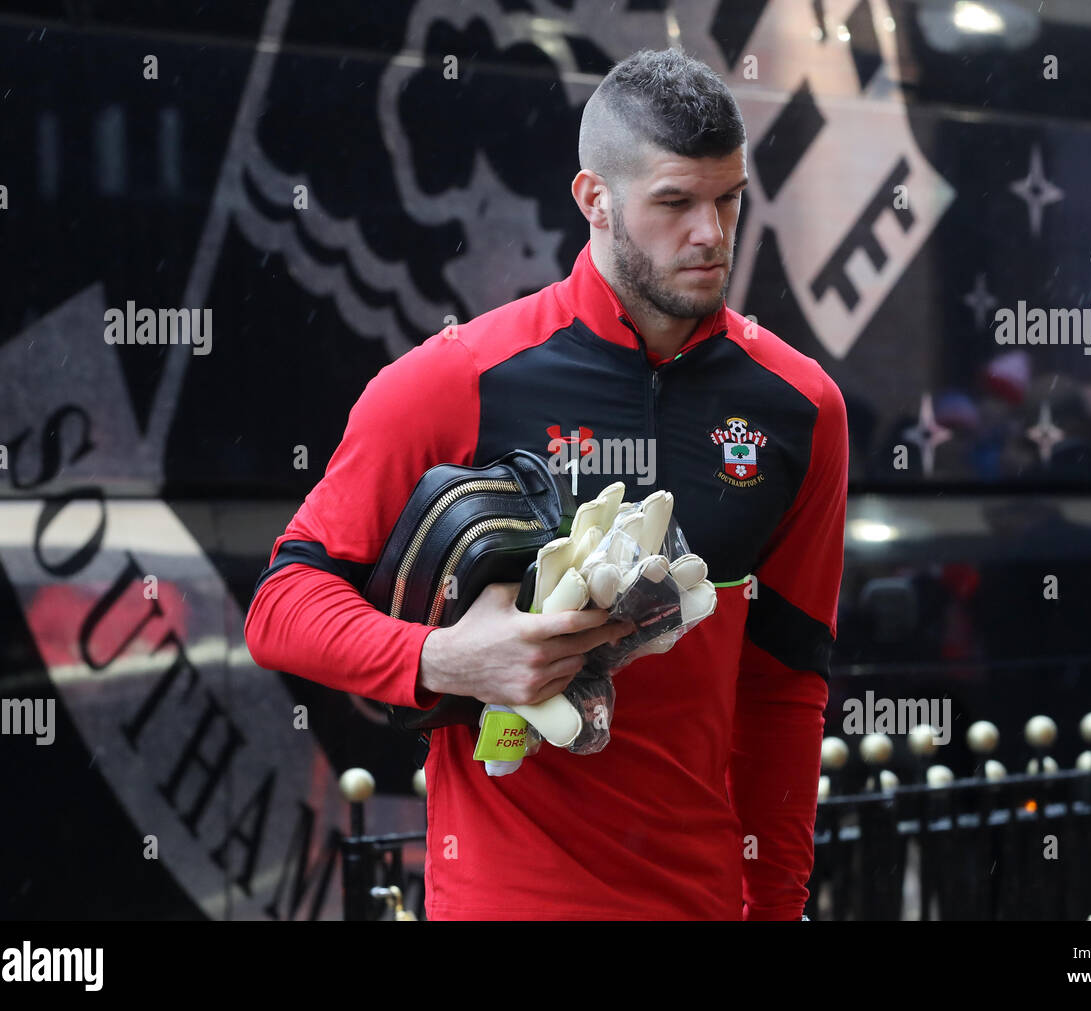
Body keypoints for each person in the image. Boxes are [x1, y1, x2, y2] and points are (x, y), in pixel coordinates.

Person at [244, 47, 848, 920]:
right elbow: (281, 604)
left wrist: (781, 907)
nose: (712, 233)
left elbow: (786, 685)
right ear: (593, 199)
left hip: (701, 899)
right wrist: (445, 658)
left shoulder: (801, 406)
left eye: (730, 198)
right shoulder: (454, 379)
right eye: (675, 202)